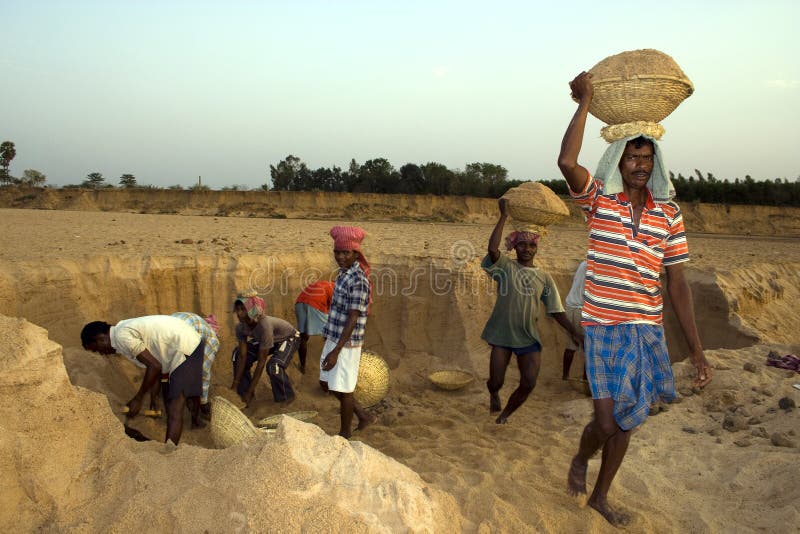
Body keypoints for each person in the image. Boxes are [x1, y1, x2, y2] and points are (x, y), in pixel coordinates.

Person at [557, 71, 713, 526]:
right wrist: (584, 101)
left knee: (628, 422)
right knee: (605, 424)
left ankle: (601, 496)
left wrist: (698, 350)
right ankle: (582, 456)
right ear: (617, 161)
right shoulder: (600, 202)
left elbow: (677, 285)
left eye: (647, 156)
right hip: (603, 326)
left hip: (646, 330)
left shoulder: (669, 214)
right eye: (632, 156)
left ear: (655, 162)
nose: (640, 164)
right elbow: (567, 161)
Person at [481, 199, 583, 424]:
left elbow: (556, 310)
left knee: (529, 382)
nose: (527, 249)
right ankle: (494, 394)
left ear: (537, 248)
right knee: (495, 381)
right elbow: (491, 249)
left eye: (532, 245)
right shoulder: (506, 268)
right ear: (515, 247)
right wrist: (503, 216)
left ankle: (505, 415)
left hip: (527, 336)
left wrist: (574, 332)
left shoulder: (544, 278)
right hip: (502, 334)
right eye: (522, 245)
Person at [80, 315, 205, 444]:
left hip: (184, 346)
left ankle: (169, 451)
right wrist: (153, 397)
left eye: (97, 350)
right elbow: (156, 365)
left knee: (175, 406)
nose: (101, 353)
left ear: (100, 339)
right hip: (183, 344)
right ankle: (197, 421)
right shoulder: (121, 333)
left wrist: (138, 398)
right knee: (172, 396)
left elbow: (155, 366)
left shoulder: (122, 337)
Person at [319, 225, 375, 438]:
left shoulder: (358, 279)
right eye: (337, 252)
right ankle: (363, 416)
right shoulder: (343, 274)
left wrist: (336, 351)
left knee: (343, 388)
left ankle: (345, 433)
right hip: (335, 337)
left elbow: (353, 317)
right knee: (327, 383)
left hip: (347, 343)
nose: (340, 257)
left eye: (346, 252)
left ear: (356, 253)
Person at [231, 294, 300, 406]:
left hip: (289, 338)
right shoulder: (241, 327)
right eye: (237, 309)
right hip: (267, 340)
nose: (239, 313)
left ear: (252, 310)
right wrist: (234, 385)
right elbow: (242, 356)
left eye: (243, 309)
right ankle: (243, 395)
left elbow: (261, 362)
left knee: (274, 366)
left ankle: (286, 397)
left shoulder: (264, 326)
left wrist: (250, 390)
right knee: (237, 353)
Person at [171, 311, 220, 425]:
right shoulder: (213, 339)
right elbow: (204, 371)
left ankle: (155, 408)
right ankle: (195, 419)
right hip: (182, 332)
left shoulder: (199, 325)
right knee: (196, 376)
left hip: (165, 327)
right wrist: (203, 402)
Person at [294, 280, 335, 373]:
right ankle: (330, 362)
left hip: (299, 303)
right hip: (315, 304)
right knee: (332, 332)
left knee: (303, 336)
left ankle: (302, 366)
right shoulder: (335, 287)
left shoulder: (322, 283)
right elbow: (334, 309)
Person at [562, 260, 588, 380]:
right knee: (587, 347)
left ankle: (566, 376)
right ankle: (585, 379)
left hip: (572, 305)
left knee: (571, 344)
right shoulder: (591, 266)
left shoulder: (584, 263)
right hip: (579, 308)